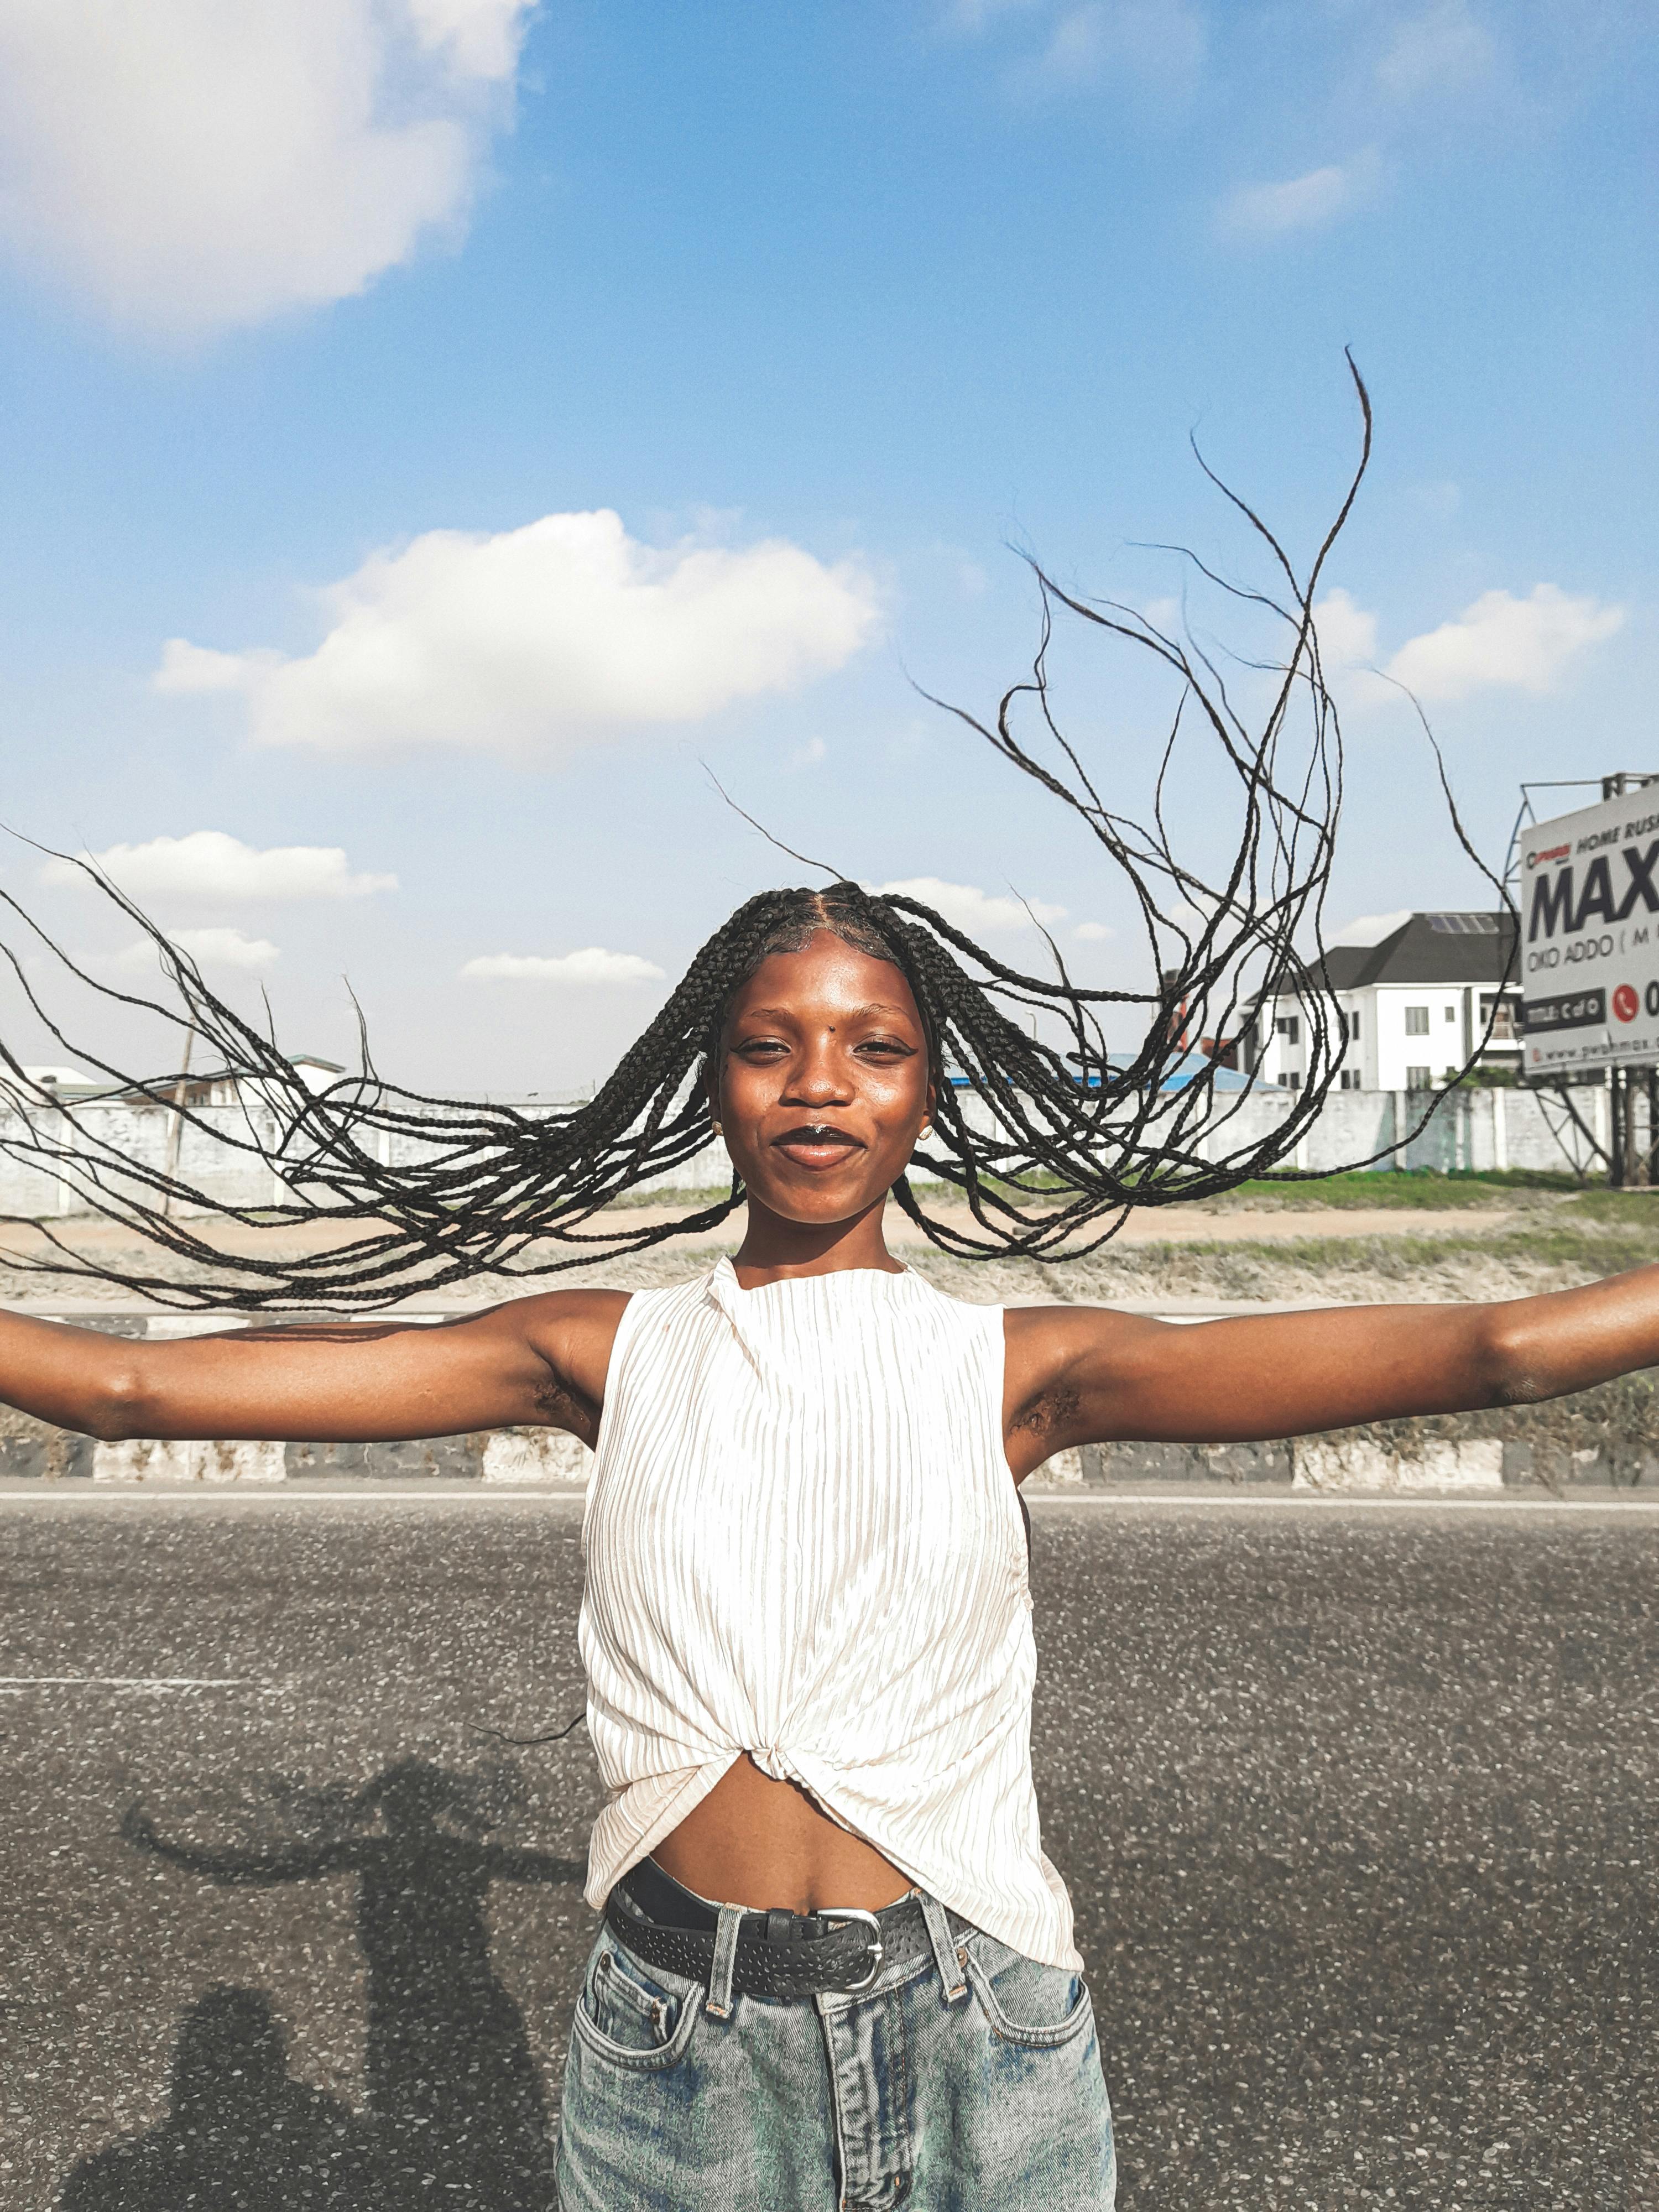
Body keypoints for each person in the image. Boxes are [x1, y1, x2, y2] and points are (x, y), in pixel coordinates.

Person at [6, 888, 1659, 2210]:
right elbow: (134, 1380)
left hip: (982, 2042)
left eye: (871, 1048)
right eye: (769, 1046)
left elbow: (1496, 1347)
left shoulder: (1016, 1367)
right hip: (673, 2055)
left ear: (928, 1087)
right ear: (708, 1079)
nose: (818, 1086)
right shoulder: (604, 1349)